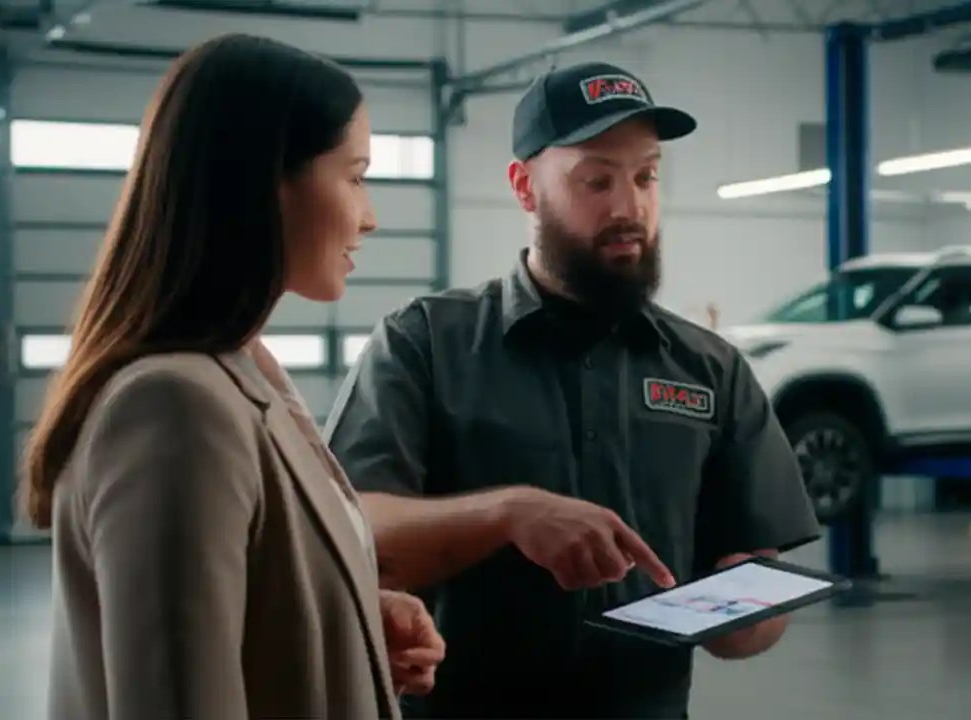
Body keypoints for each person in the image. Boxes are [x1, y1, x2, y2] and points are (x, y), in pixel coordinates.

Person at [324, 61, 821, 718]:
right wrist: (509, 514)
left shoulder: (710, 370)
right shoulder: (424, 345)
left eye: (646, 176)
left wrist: (745, 608)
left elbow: (756, 577)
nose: (629, 207)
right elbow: (351, 527)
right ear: (525, 187)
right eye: (596, 180)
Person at [19, 33, 445, 720]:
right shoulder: (175, 407)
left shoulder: (244, 375)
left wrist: (350, 624)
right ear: (265, 180)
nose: (369, 217)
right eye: (355, 174)